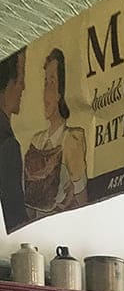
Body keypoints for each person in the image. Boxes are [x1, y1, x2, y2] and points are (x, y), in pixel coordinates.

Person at [24, 48, 87, 219]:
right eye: (45, 84)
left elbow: (84, 206)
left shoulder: (72, 140)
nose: (46, 94)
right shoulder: (37, 140)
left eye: (52, 83)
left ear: (62, 92)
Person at [0, 47, 27, 232]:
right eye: (21, 78)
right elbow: (17, 214)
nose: (23, 86)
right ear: (9, 84)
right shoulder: (8, 144)